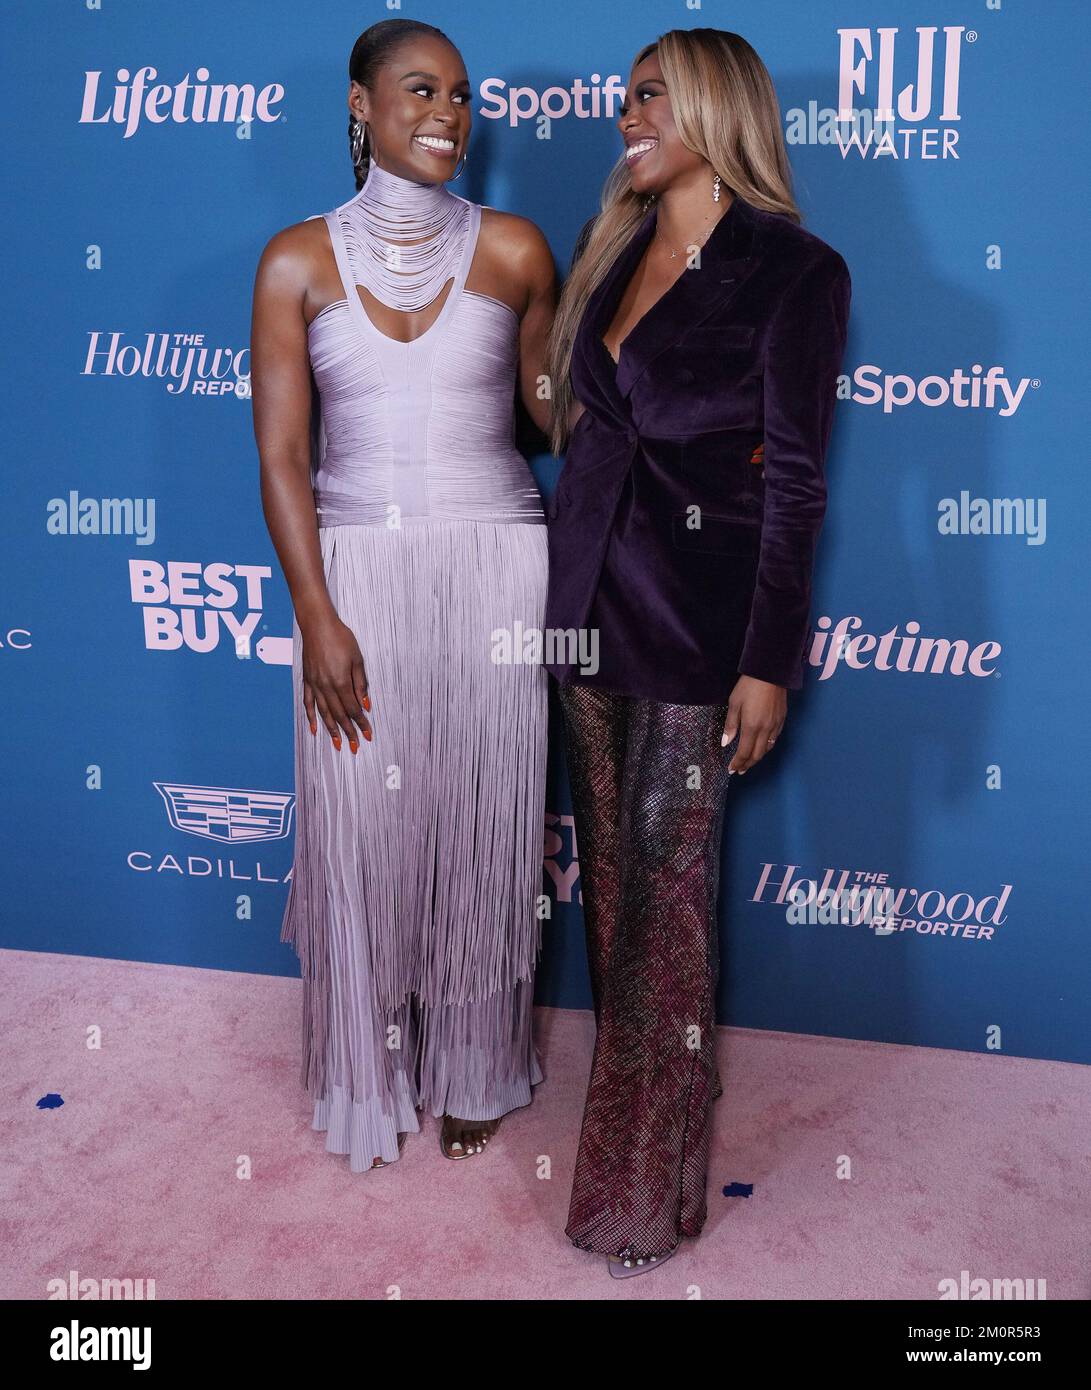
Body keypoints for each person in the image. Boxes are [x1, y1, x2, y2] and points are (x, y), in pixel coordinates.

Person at [543, 28, 851, 1275]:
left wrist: (766, 658)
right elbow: (576, 430)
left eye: (648, 98)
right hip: (576, 616)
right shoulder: (607, 247)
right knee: (614, 905)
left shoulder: (793, 271)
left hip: (695, 628)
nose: (625, 117)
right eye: (623, 97)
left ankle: (628, 1203)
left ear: (716, 110)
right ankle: (655, 1165)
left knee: (661, 916)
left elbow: (795, 491)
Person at [251, 18, 556, 1170]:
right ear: (359, 105)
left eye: (462, 95)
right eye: (419, 90)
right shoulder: (293, 260)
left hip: (496, 568)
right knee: (361, 830)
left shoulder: (521, 249)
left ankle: (476, 1059)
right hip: (356, 576)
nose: (447, 112)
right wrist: (316, 613)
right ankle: (365, 1065)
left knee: (483, 821)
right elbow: (283, 457)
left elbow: (554, 419)